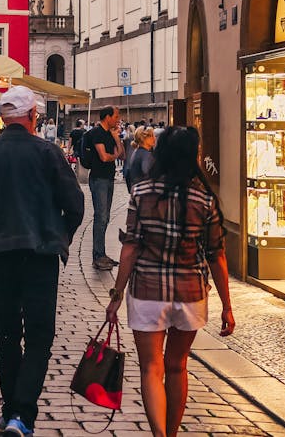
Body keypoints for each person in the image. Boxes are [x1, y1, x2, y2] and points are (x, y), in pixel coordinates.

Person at [0, 86, 84, 437]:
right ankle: (22, 415)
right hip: (41, 255)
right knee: (40, 336)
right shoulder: (48, 153)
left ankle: (10, 410)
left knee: (7, 335)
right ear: (32, 117)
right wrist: (61, 235)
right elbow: (75, 205)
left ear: (3, 118)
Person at [106, 126, 234, 437]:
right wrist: (227, 306)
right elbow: (217, 255)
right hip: (190, 293)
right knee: (177, 366)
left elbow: (131, 247)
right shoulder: (205, 199)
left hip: (148, 292)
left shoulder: (143, 193)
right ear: (194, 156)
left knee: (151, 368)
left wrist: (117, 293)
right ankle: (172, 433)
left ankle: (160, 435)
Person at [85, 106, 122, 270]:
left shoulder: (109, 133)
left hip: (108, 178)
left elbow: (122, 154)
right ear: (107, 117)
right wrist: (113, 156)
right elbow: (104, 156)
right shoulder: (97, 133)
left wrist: (116, 138)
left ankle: (102, 253)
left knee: (105, 217)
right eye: (116, 116)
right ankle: (98, 256)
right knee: (100, 217)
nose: (118, 118)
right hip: (99, 178)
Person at [125, 126, 156, 192]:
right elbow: (148, 174)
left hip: (137, 190)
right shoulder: (146, 154)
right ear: (143, 138)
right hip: (144, 192)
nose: (154, 138)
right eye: (151, 136)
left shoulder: (137, 151)